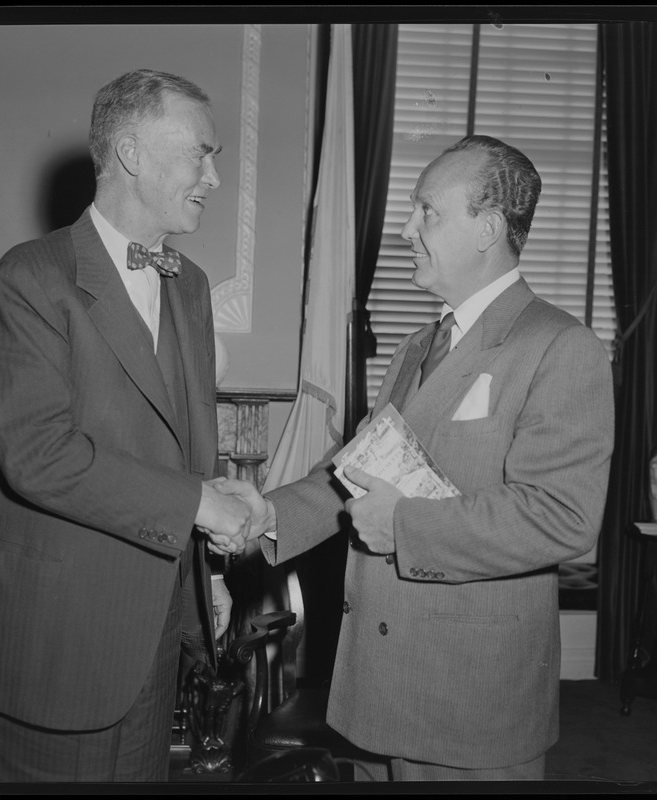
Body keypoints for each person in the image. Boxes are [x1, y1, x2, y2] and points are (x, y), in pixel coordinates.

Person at [218, 135, 615, 781]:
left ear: (487, 228)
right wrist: (268, 513)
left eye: (426, 211)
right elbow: (356, 473)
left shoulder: (559, 345)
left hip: (470, 693)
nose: (406, 229)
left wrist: (403, 526)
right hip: (380, 680)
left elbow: (562, 517)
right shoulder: (416, 347)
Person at [0, 69, 254, 783]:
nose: (213, 177)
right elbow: (38, 455)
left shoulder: (190, 284)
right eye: (200, 154)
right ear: (131, 153)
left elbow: (183, 448)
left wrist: (204, 573)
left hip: (153, 638)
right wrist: (201, 505)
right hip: (48, 647)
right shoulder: (30, 277)